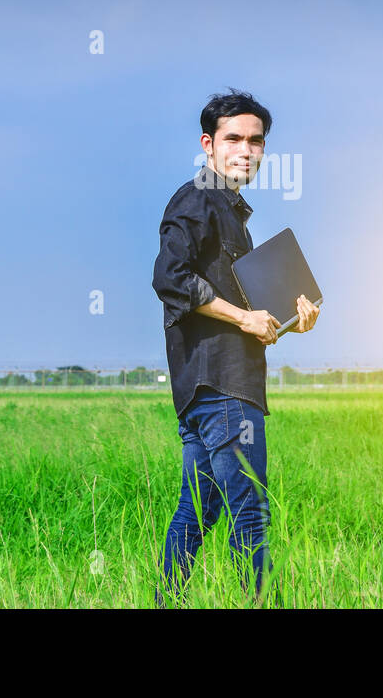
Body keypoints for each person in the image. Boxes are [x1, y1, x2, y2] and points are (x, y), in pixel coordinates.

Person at [151, 88, 320, 606]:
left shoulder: (234, 213)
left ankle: (166, 601)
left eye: (256, 140)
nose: (246, 149)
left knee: (196, 511)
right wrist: (245, 315)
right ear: (209, 144)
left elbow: (245, 318)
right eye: (233, 139)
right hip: (221, 387)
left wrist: (291, 321)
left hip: (214, 385)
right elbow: (170, 277)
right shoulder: (197, 198)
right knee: (251, 509)